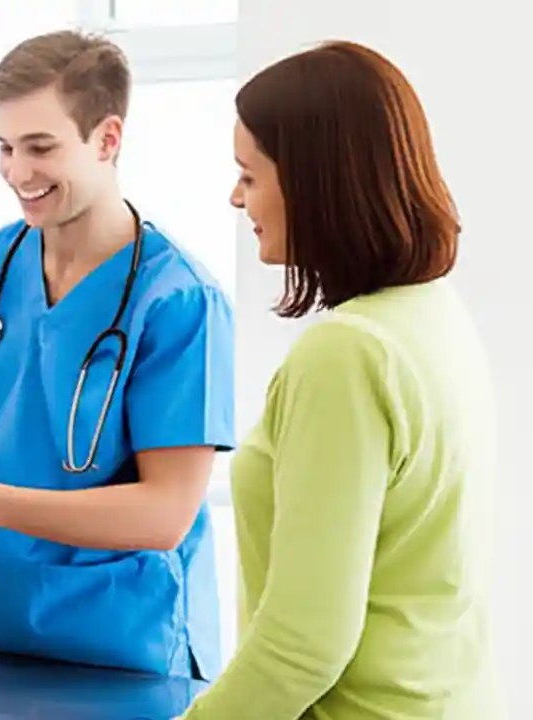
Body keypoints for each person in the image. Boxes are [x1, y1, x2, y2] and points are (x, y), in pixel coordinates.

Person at [0, 29, 236, 683]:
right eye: (6, 147)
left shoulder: (178, 299)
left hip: (132, 653)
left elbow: (164, 514)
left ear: (107, 139)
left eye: (40, 147)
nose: (18, 172)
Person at [180, 40, 501, 719]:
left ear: (315, 180)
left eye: (249, 175)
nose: (236, 199)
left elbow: (303, 645)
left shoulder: (346, 356)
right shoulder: (435, 316)